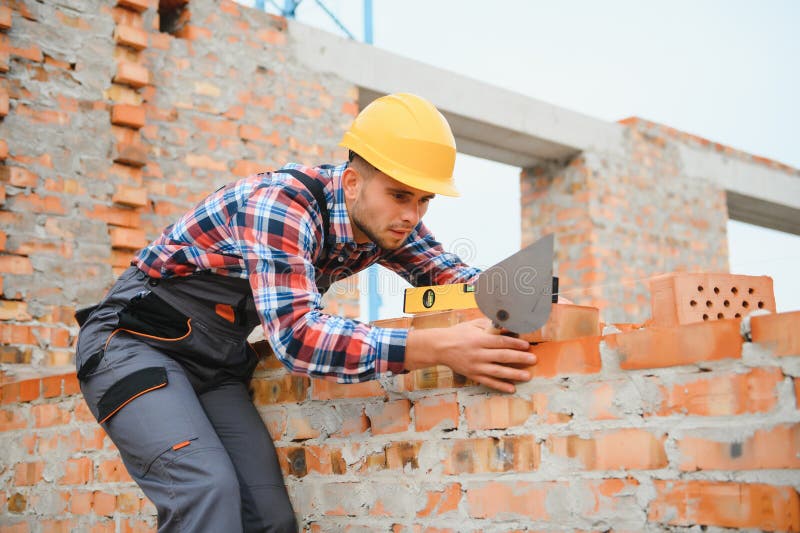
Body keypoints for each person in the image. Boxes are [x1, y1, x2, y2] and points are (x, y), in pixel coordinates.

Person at [74, 93, 537, 532]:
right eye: (400, 195)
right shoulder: (280, 204)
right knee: (205, 491)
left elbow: (453, 280)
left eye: (423, 200)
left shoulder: (389, 223)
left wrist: (532, 294)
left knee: (269, 518)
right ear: (354, 182)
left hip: (214, 363)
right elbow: (297, 335)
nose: (413, 214)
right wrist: (437, 346)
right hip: (133, 345)